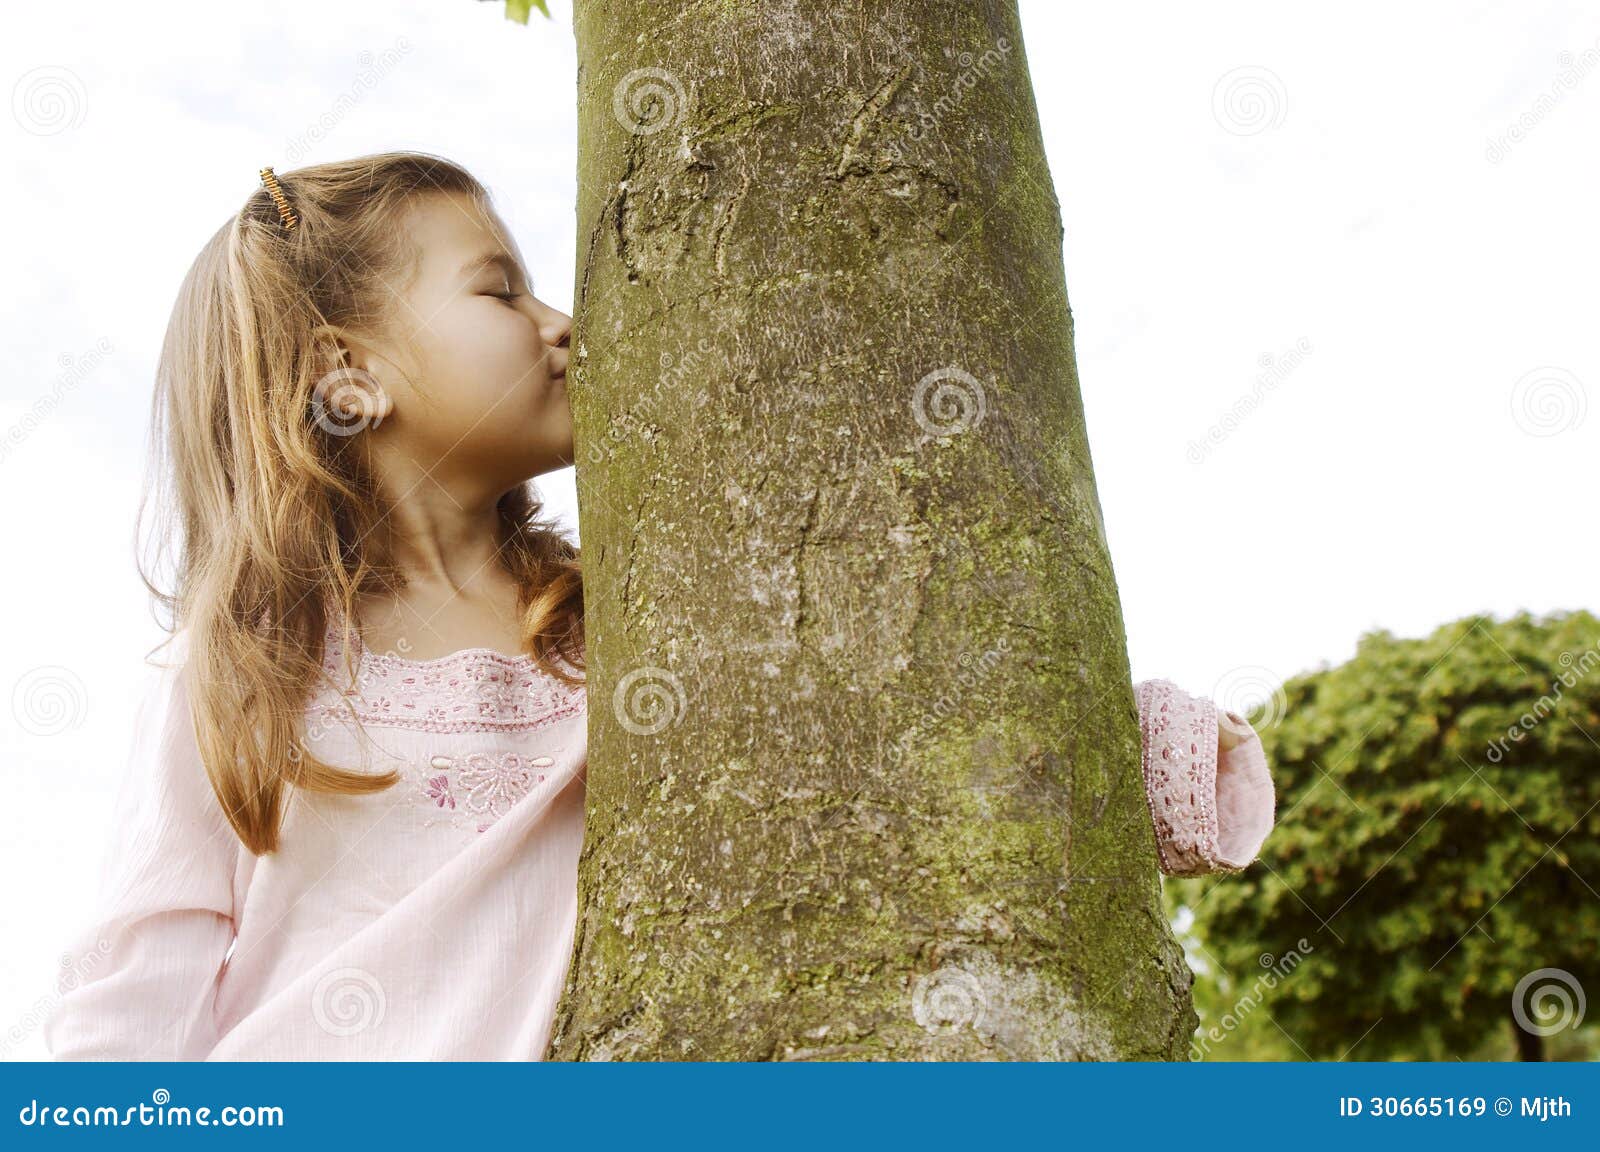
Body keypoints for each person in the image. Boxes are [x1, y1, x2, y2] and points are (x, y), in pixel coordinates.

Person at [44, 152, 1273, 1061]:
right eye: (500, 292)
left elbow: (865, 723)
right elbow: (132, 992)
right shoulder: (242, 671)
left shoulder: (616, 626)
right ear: (347, 374)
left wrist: (1102, 746)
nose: (563, 326)